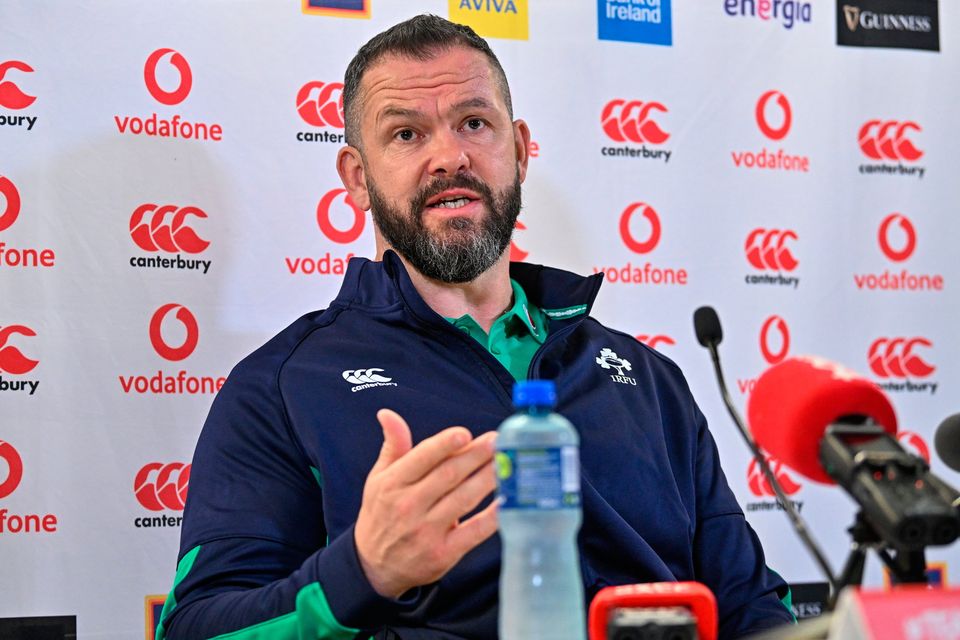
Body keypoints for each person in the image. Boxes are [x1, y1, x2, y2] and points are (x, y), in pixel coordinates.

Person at [157, 14, 795, 640]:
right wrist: (360, 571)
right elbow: (194, 627)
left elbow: (751, 607)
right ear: (357, 178)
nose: (449, 156)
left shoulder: (648, 378)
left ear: (516, 150)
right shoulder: (284, 384)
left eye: (474, 123)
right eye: (406, 134)